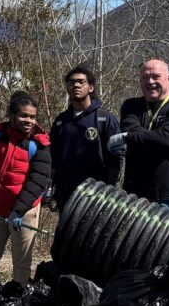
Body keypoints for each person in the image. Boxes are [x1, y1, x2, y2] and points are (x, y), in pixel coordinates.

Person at [0, 91, 52, 285]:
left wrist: (19, 210)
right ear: (12, 115)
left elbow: (38, 181)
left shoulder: (39, 144)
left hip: (24, 212)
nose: (29, 120)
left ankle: (18, 297)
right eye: (23, 115)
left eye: (32, 117)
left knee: (21, 262)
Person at [110, 58, 169, 213]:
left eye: (156, 76)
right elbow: (164, 138)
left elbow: (165, 139)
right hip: (134, 197)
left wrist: (129, 137)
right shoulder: (131, 106)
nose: (150, 82)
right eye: (145, 77)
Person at [48, 62, 122, 214]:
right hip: (65, 194)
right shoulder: (61, 120)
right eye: (71, 82)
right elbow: (53, 157)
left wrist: (109, 191)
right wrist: (50, 189)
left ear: (91, 88)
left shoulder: (104, 118)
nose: (76, 85)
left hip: (96, 196)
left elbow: (115, 159)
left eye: (81, 82)